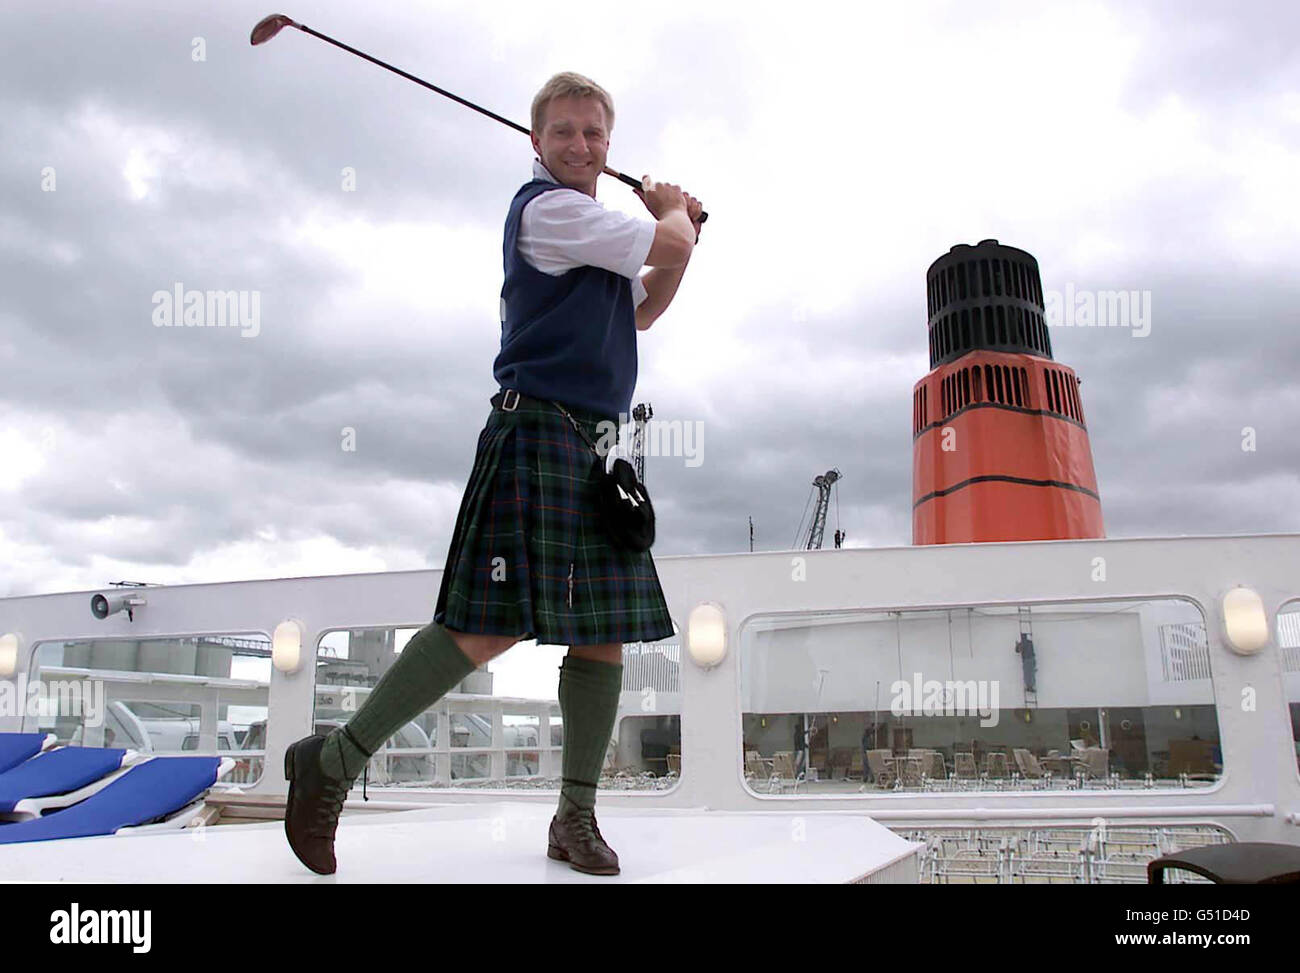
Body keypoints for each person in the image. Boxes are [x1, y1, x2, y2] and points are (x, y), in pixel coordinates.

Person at [282, 71, 703, 877]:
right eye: (565, 131)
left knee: (600, 631)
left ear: (608, 142)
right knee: (487, 624)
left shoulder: (594, 231)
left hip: (591, 445)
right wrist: (673, 211)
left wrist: (679, 235)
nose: (581, 145)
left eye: (594, 132)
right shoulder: (551, 212)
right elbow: (668, 245)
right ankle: (333, 761)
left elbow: (645, 303)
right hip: (537, 431)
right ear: (535, 140)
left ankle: (574, 816)